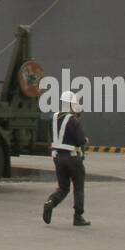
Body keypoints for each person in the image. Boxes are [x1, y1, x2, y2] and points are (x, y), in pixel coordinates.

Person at [43, 91, 90, 226]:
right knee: (78, 188)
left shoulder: (53, 118)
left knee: (63, 188)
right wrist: (85, 140)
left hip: (57, 158)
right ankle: (78, 217)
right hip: (73, 158)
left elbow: (52, 137)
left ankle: (51, 202)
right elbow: (80, 140)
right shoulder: (73, 120)